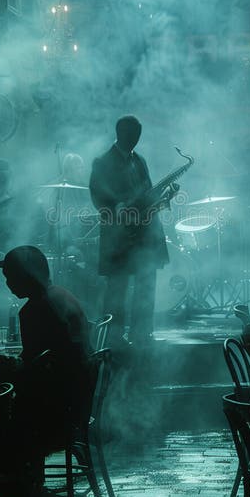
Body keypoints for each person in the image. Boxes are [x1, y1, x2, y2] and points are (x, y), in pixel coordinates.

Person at [0, 246, 95, 451]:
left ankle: (16, 473)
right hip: (79, 401)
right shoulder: (62, 295)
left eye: (11, 277)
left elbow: (32, 370)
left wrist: (11, 366)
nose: (8, 284)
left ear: (26, 277)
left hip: (53, 411)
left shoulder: (34, 310)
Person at [89, 115, 169, 351]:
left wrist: (165, 195)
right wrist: (117, 207)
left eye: (138, 134)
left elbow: (148, 193)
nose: (136, 139)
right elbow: (97, 196)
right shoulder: (102, 162)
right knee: (117, 288)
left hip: (144, 234)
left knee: (146, 284)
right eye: (132, 134)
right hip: (119, 236)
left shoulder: (140, 160)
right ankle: (113, 339)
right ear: (121, 133)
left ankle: (143, 334)